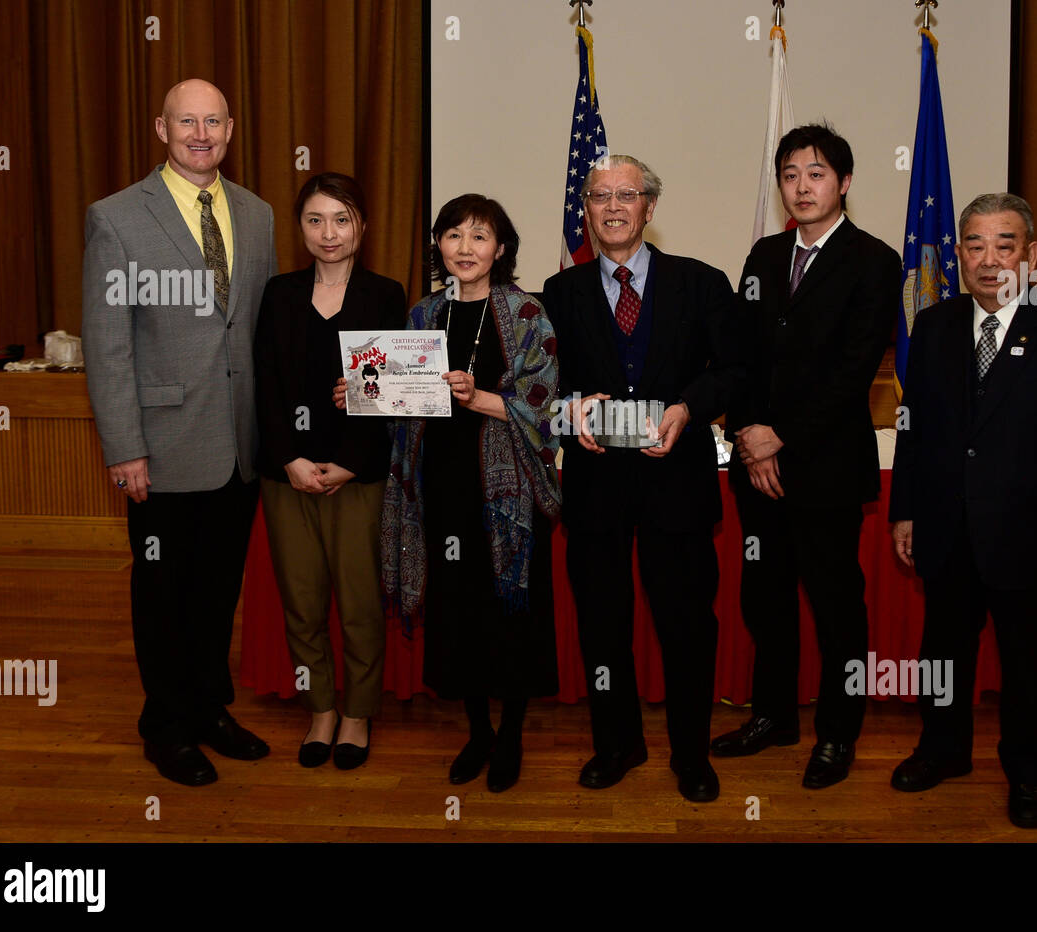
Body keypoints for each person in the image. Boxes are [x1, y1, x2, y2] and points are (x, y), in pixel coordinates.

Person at [888, 193, 1037, 828]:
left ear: (1032, 255)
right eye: (976, 246)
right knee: (945, 652)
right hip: (944, 526)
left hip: (1032, 532)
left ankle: (1031, 771)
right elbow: (914, 429)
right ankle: (942, 750)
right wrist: (904, 511)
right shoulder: (933, 326)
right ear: (959, 255)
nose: (989, 260)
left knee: (1028, 662)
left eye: (1005, 245)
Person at [81, 78, 277, 786]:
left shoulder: (256, 215)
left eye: (214, 121)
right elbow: (107, 344)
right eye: (187, 121)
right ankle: (164, 725)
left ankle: (208, 708)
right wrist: (124, 446)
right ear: (161, 130)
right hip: (160, 447)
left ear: (230, 129)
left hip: (240, 445)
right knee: (164, 592)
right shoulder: (116, 218)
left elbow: (259, 332)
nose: (202, 133)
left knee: (218, 589)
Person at [540, 154, 743, 803]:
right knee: (602, 625)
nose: (613, 206)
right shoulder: (558, 292)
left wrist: (689, 406)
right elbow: (541, 387)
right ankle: (617, 743)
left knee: (687, 626)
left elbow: (736, 369)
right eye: (600, 195)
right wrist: (569, 410)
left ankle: (691, 754)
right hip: (596, 486)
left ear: (649, 208)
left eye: (626, 194)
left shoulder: (702, 283)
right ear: (589, 211)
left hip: (676, 482)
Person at [714, 123, 902, 789]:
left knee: (836, 607)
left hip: (823, 468)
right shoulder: (763, 256)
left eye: (816, 174)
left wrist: (779, 436)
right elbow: (738, 356)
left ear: (843, 183)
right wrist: (749, 434)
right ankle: (773, 717)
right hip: (755, 469)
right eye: (791, 174)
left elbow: (853, 373)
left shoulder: (875, 262)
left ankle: (837, 733)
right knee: (764, 601)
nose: (802, 186)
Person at [375, 194, 561, 793]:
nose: (465, 247)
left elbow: (546, 405)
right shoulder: (421, 316)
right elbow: (398, 404)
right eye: (453, 235)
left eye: (479, 237)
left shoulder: (528, 313)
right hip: (442, 484)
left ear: (500, 249)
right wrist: (363, 392)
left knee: (509, 613)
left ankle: (510, 734)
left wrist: (479, 397)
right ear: (439, 246)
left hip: (508, 494)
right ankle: (477, 730)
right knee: (460, 611)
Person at [254, 173, 407, 770]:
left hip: (357, 476)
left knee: (361, 602)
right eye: (316, 220)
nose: (328, 233)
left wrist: (348, 464)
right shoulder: (278, 293)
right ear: (301, 229)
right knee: (302, 599)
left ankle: (358, 711)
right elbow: (265, 386)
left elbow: (388, 393)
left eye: (341, 220)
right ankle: (320, 706)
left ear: (362, 227)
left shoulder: (385, 294)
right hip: (286, 474)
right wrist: (289, 459)